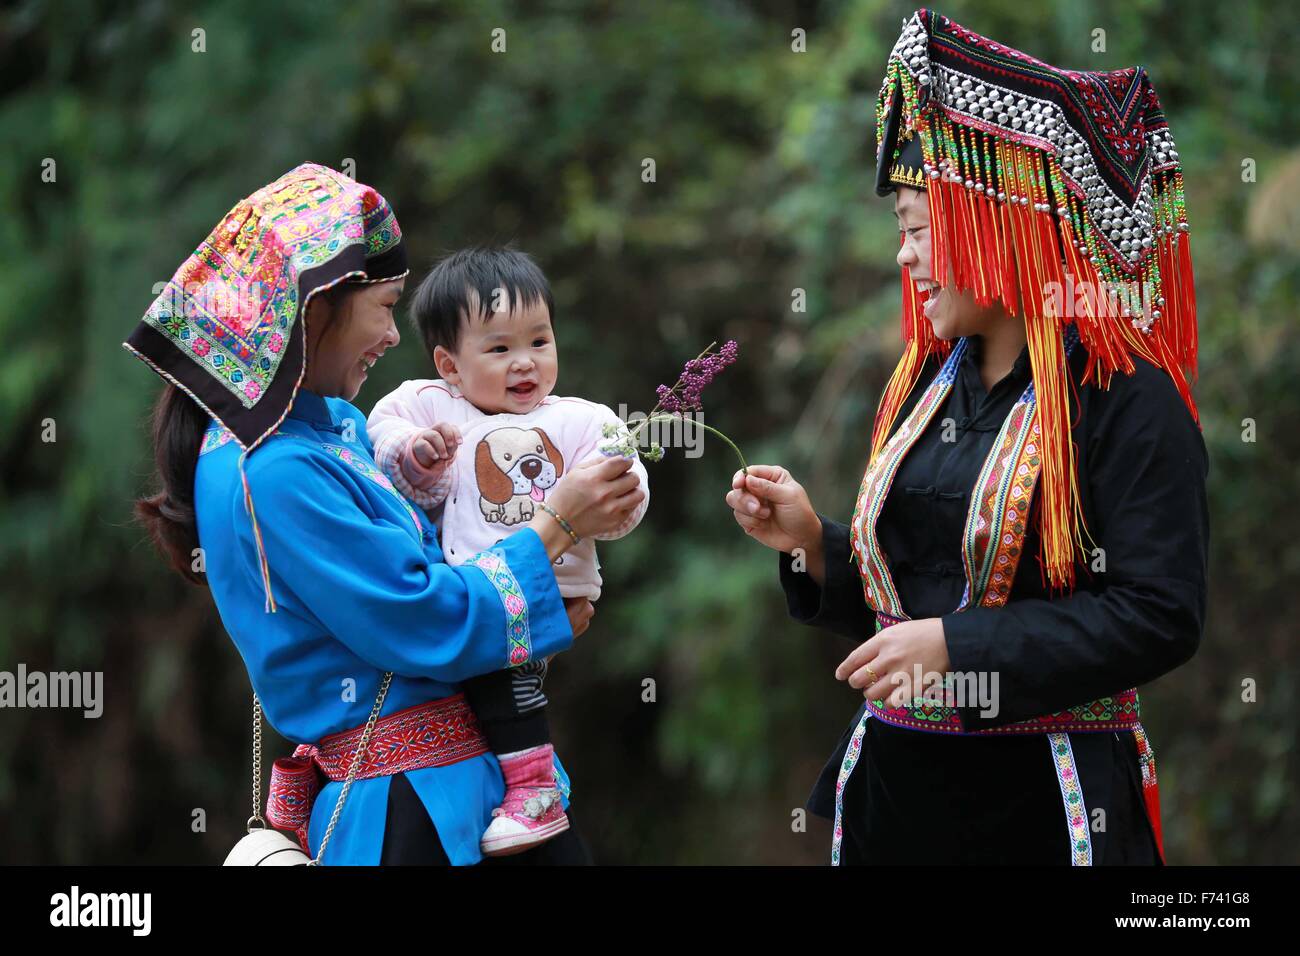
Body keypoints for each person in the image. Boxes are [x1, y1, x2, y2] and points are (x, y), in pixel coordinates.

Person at [726, 9, 1207, 865]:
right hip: (899, 798)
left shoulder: (1125, 393)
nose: (904, 257)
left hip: (1043, 806)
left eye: (917, 228)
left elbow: (1160, 615)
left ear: (1002, 227)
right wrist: (813, 545)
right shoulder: (927, 382)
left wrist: (956, 649)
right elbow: (921, 588)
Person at [126, 164, 644, 865]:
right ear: (315, 309)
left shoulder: (327, 431)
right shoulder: (274, 470)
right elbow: (422, 617)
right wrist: (558, 525)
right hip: (414, 813)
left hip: (454, 790)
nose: (395, 337)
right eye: (386, 307)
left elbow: (441, 558)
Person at [366, 246, 650, 855]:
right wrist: (417, 450)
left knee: (501, 682)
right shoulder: (435, 405)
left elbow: (619, 479)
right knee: (476, 690)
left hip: (548, 586)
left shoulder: (576, 419)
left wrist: (624, 499)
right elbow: (382, 430)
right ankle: (510, 787)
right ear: (449, 363)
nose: (525, 364)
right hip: (473, 589)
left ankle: (533, 788)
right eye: (498, 349)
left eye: (539, 342)